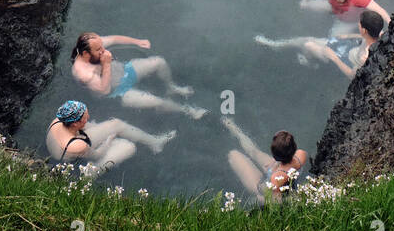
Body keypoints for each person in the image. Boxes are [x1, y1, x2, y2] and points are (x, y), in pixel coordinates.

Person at [70, 32, 206, 119]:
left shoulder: (95, 45)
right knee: (157, 101)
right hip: (117, 93)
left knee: (159, 62)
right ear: (86, 54)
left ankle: (171, 87)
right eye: (99, 50)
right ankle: (186, 110)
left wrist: (137, 41)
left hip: (124, 71)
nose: (104, 50)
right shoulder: (84, 73)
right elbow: (104, 90)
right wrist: (106, 64)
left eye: (102, 47)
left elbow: (115, 39)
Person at [45, 99, 177, 172]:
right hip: (67, 154)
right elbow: (98, 154)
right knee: (128, 147)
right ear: (74, 124)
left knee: (116, 124)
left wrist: (92, 127)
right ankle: (90, 175)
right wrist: (108, 140)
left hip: (63, 142)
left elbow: (79, 127)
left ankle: (154, 142)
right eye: (85, 118)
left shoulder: (58, 120)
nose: (88, 117)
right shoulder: (77, 146)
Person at [256, 7, 385, 79]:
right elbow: (369, 36)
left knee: (308, 46)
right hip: (350, 45)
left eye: (359, 24)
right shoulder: (378, 35)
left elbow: (352, 75)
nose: (357, 24)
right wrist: (348, 36)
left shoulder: (365, 57)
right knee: (307, 39)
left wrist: (334, 58)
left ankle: (310, 64)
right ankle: (276, 45)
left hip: (342, 59)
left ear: (364, 30)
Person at [223, 118, 309, 204]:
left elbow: (277, 202)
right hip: (279, 168)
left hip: (262, 188)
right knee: (254, 152)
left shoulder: (275, 179)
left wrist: (260, 198)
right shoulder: (301, 154)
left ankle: (236, 131)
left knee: (233, 154)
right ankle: (236, 131)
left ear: (274, 155)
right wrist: (276, 164)